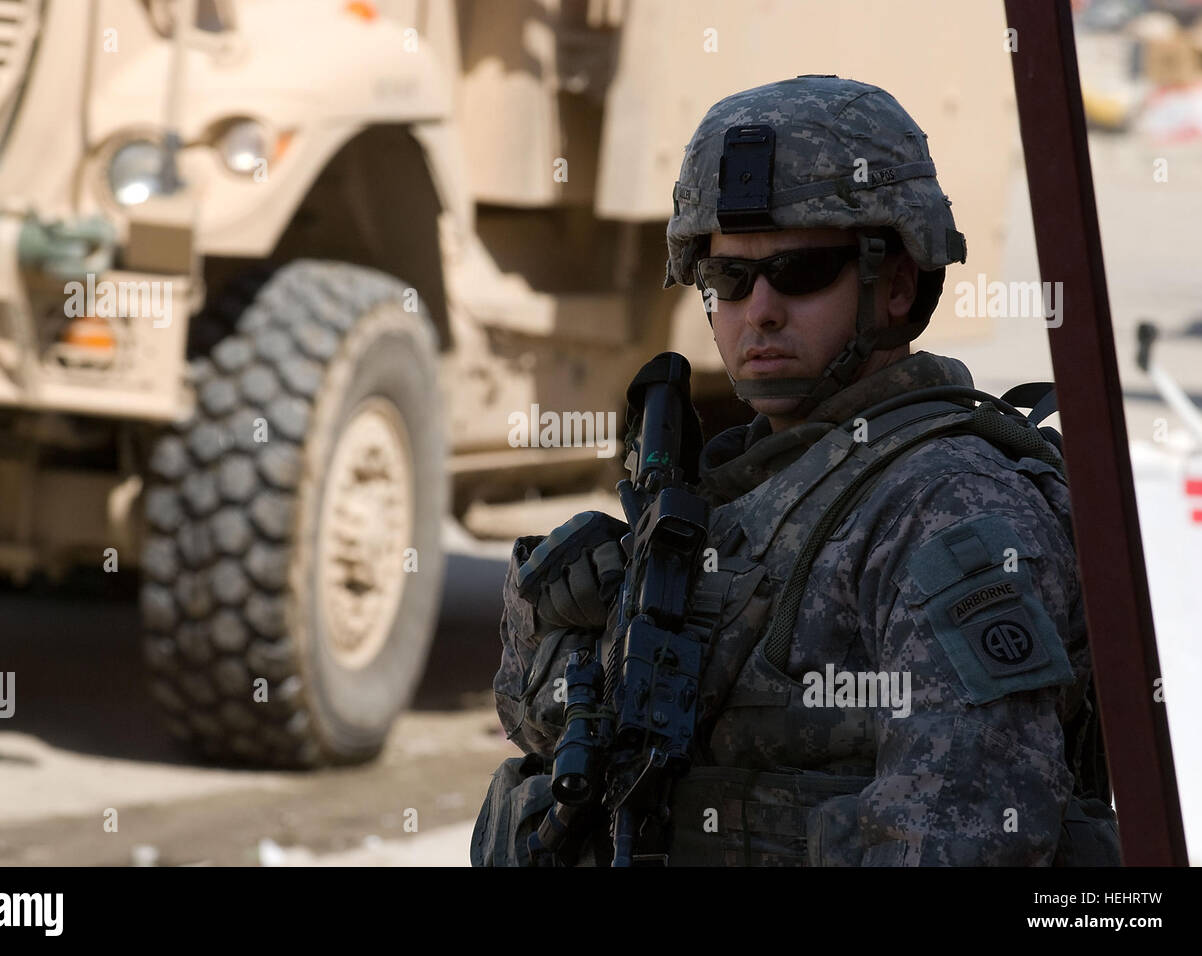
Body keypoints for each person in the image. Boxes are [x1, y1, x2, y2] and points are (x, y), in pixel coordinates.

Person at [472, 75, 1120, 867]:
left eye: (802, 273)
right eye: (729, 281)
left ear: (897, 286)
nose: (760, 311)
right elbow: (544, 732)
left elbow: (965, 837)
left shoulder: (945, 507)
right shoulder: (730, 492)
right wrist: (556, 624)